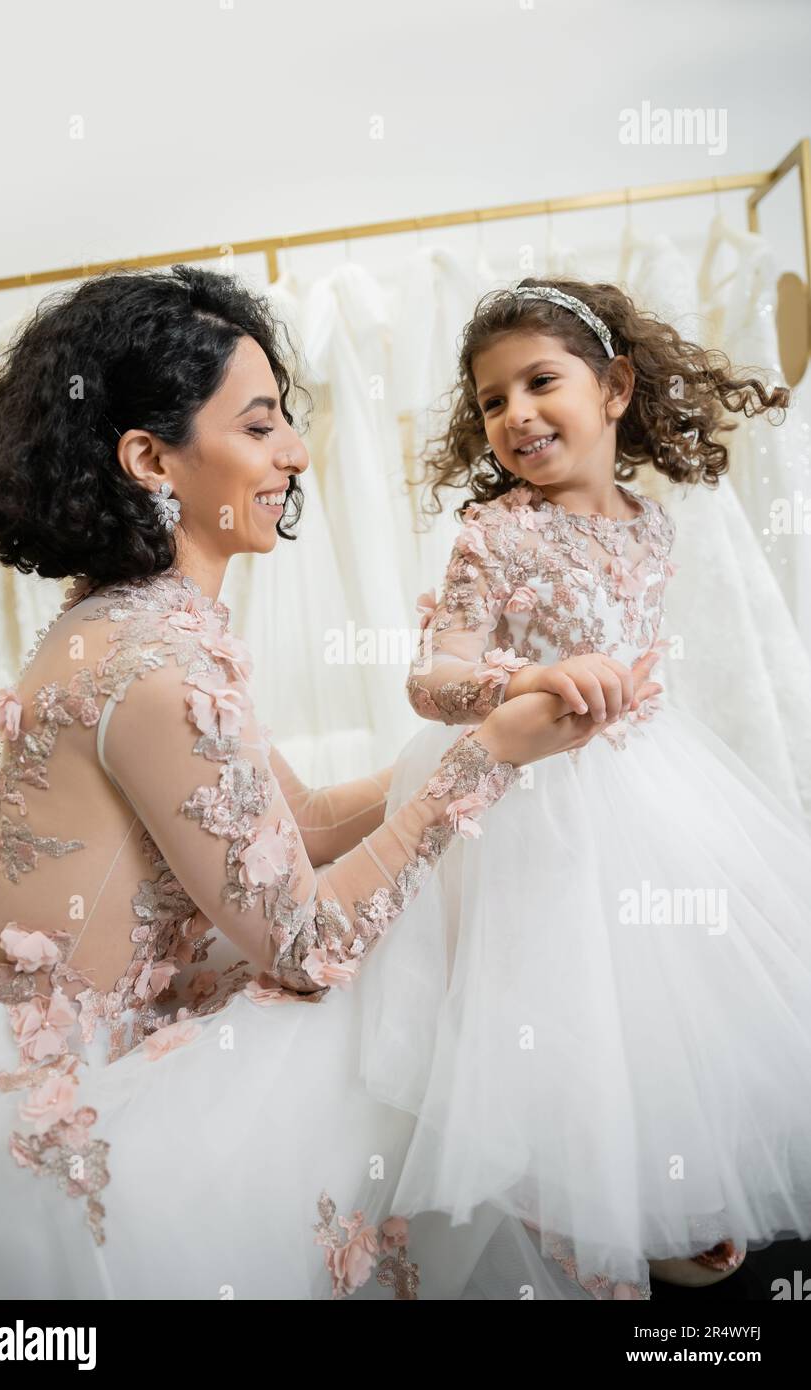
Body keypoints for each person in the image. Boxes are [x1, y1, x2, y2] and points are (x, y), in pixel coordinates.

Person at [0, 266, 660, 1300]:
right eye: (260, 425)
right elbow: (312, 944)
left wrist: (491, 731)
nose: (293, 453)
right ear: (151, 459)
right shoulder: (153, 665)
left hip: (68, 1041)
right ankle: (584, 1220)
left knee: (426, 947)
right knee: (396, 984)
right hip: (43, 1127)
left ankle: (598, 1207)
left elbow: (307, 820)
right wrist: (490, 754)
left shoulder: (141, 618)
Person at [356, 277, 811, 1300]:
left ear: (612, 387)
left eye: (538, 381)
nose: (513, 413)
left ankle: (649, 1201)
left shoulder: (650, 525)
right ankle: (568, 1224)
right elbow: (430, 679)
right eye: (489, 400)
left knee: (649, 1011)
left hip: (644, 783)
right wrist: (526, 678)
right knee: (539, 1021)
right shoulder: (495, 532)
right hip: (524, 803)